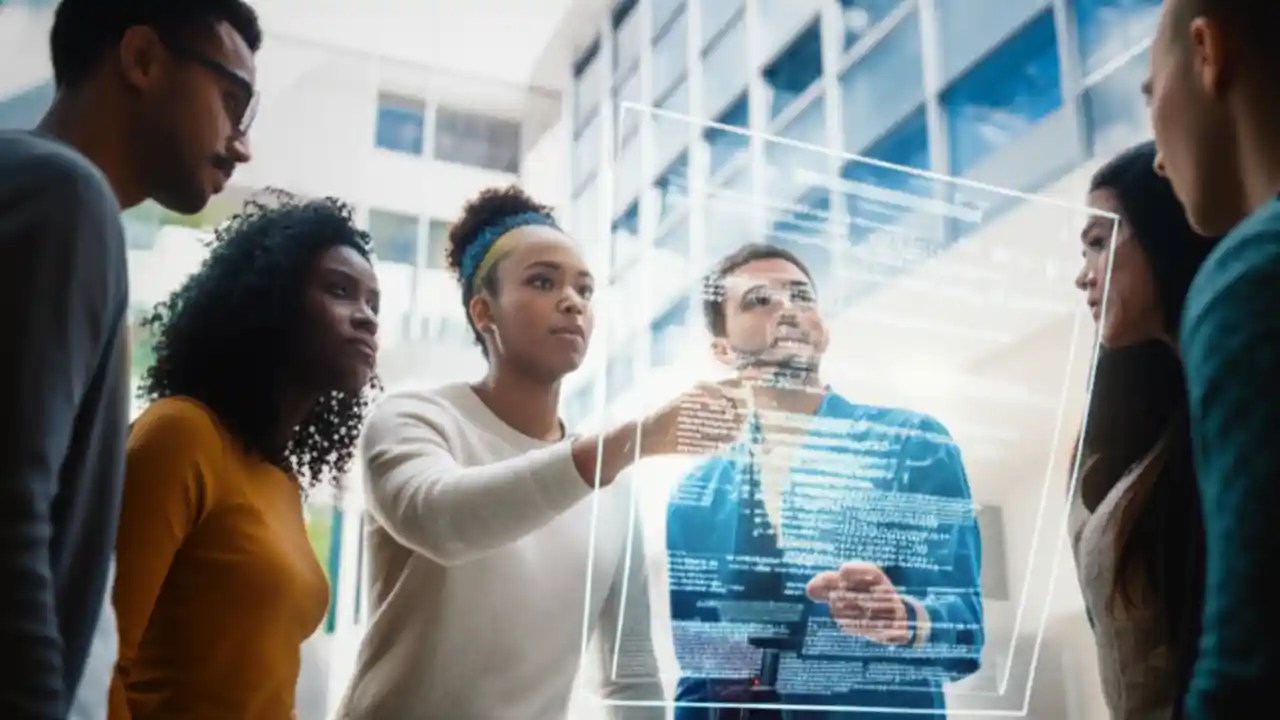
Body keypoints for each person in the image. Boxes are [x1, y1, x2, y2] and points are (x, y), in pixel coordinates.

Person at [338, 185, 742, 719]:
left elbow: (631, 676)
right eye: (542, 282)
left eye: (585, 288)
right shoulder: (414, 419)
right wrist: (632, 441)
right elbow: (443, 520)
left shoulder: (613, 486)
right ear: (484, 312)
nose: (572, 301)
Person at [0, 0, 260, 717]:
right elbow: (13, 501)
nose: (241, 147)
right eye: (231, 102)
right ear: (142, 58)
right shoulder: (65, 196)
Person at [665, 244, 984, 719]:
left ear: (823, 331)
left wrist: (904, 620)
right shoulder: (695, 496)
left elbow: (965, 635)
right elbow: (699, 676)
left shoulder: (913, 444)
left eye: (802, 297)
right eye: (759, 300)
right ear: (723, 349)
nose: (788, 310)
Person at [109, 194, 380, 720]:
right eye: (341, 291)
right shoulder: (180, 435)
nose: (366, 318)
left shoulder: (279, 481)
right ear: (270, 301)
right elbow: (102, 661)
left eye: (374, 302)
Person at [1146, 1, 1280, 715]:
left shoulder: (1251, 279)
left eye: (1151, 93)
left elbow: (1251, 676)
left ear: (1206, 51)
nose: (1159, 157)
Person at [1068, 141, 1218, 719]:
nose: (1084, 277)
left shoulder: (1228, 407)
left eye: (1100, 244)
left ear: (1165, 229)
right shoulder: (1131, 427)